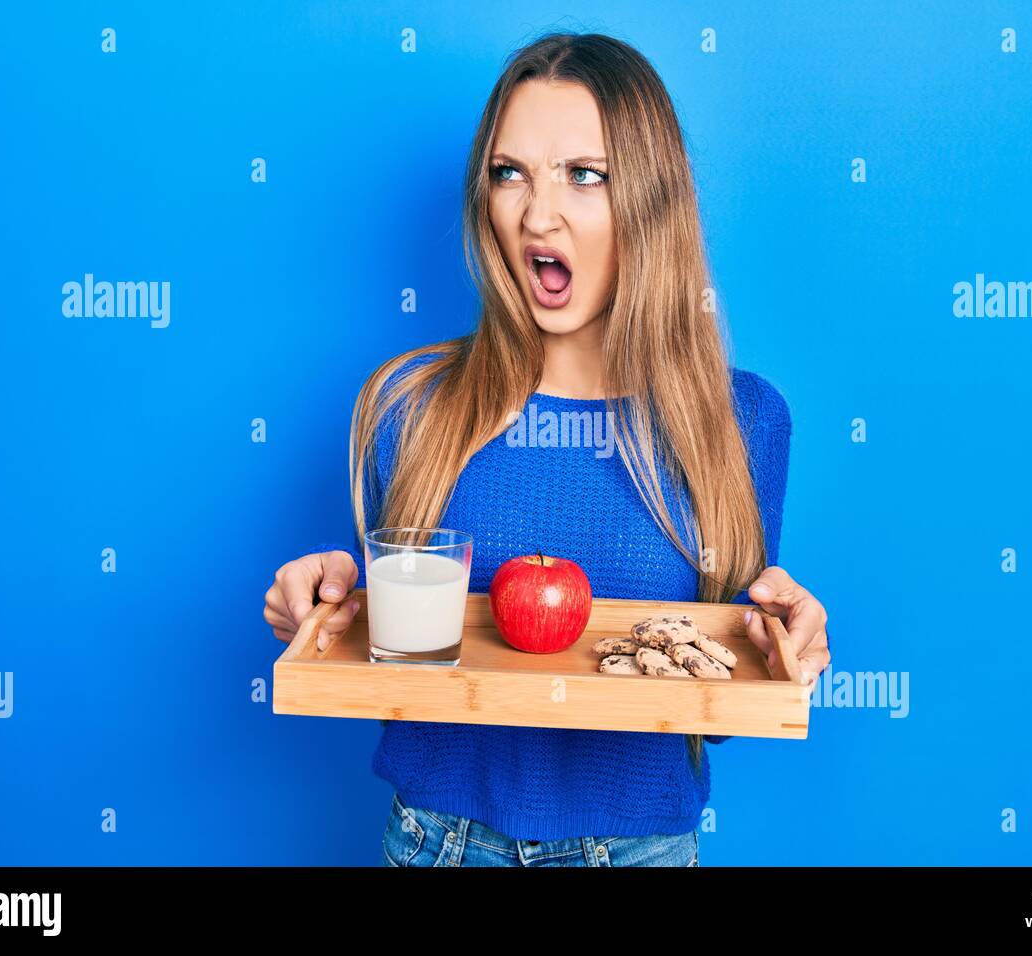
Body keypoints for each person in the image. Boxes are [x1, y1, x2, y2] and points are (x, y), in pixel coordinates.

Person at [263, 31, 831, 867]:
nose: (537, 213)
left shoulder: (740, 423)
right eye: (510, 173)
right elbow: (391, 650)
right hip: (438, 846)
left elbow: (715, 697)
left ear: (650, 201)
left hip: (641, 851)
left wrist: (788, 646)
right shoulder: (408, 405)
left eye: (584, 175)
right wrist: (326, 597)